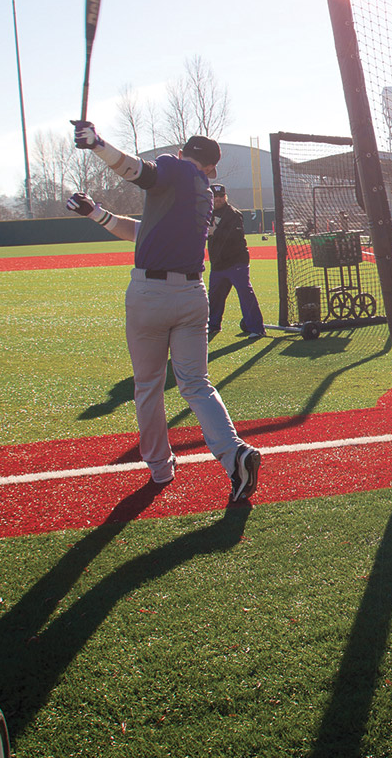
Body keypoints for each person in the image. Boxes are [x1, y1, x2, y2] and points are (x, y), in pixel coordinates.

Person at [68, 124, 262, 502]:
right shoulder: (203, 194)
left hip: (151, 294)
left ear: (184, 153)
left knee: (148, 386)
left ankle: (159, 466)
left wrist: (96, 144)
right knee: (196, 384)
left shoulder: (173, 169)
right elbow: (143, 231)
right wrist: (98, 214)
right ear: (210, 167)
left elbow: (133, 169)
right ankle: (234, 452)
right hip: (192, 294)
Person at [207, 183, 265, 340]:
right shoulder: (206, 214)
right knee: (214, 297)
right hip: (218, 264)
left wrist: (215, 232)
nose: (218, 199)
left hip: (236, 262)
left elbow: (234, 236)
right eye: (215, 197)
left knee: (245, 294)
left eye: (220, 196)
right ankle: (213, 325)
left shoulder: (233, 214)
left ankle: (257, 328)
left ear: (225, 197)